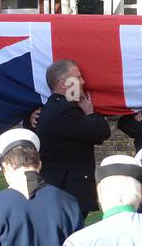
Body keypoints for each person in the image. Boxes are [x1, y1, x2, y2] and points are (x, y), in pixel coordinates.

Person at [37, 60, 112, 221]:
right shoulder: (65, 110)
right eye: (78, 78)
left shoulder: (55, 107)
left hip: (59, 188)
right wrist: (91, 113)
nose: (83, 82)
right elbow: (101, 132)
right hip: (67, 189)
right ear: (63, 84)